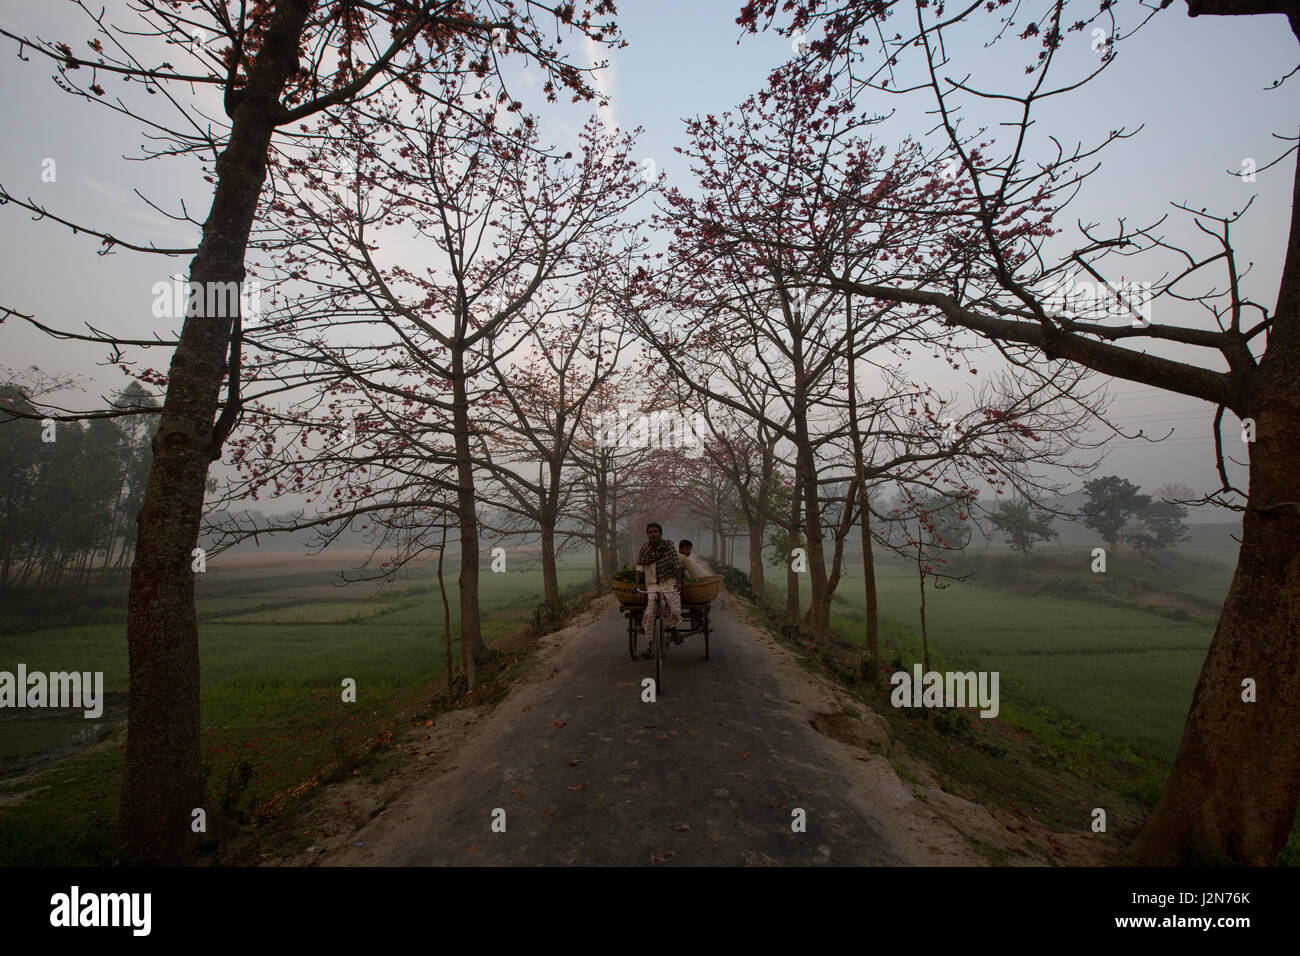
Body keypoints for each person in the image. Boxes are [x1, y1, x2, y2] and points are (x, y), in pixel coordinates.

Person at [637, 523, 682, 658]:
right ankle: (651, 646)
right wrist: (636, 584)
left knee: (674, 610)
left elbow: (677, 564)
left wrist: (678, 581)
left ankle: (673, 630)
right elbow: (639, 568)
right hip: (653, 586)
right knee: (650, 614)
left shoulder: (668, 545)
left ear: (660, 533)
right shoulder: (644, 549)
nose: (653, 534)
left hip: (668, 584)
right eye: (650, 532)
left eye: (655, 531)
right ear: (648, 535)